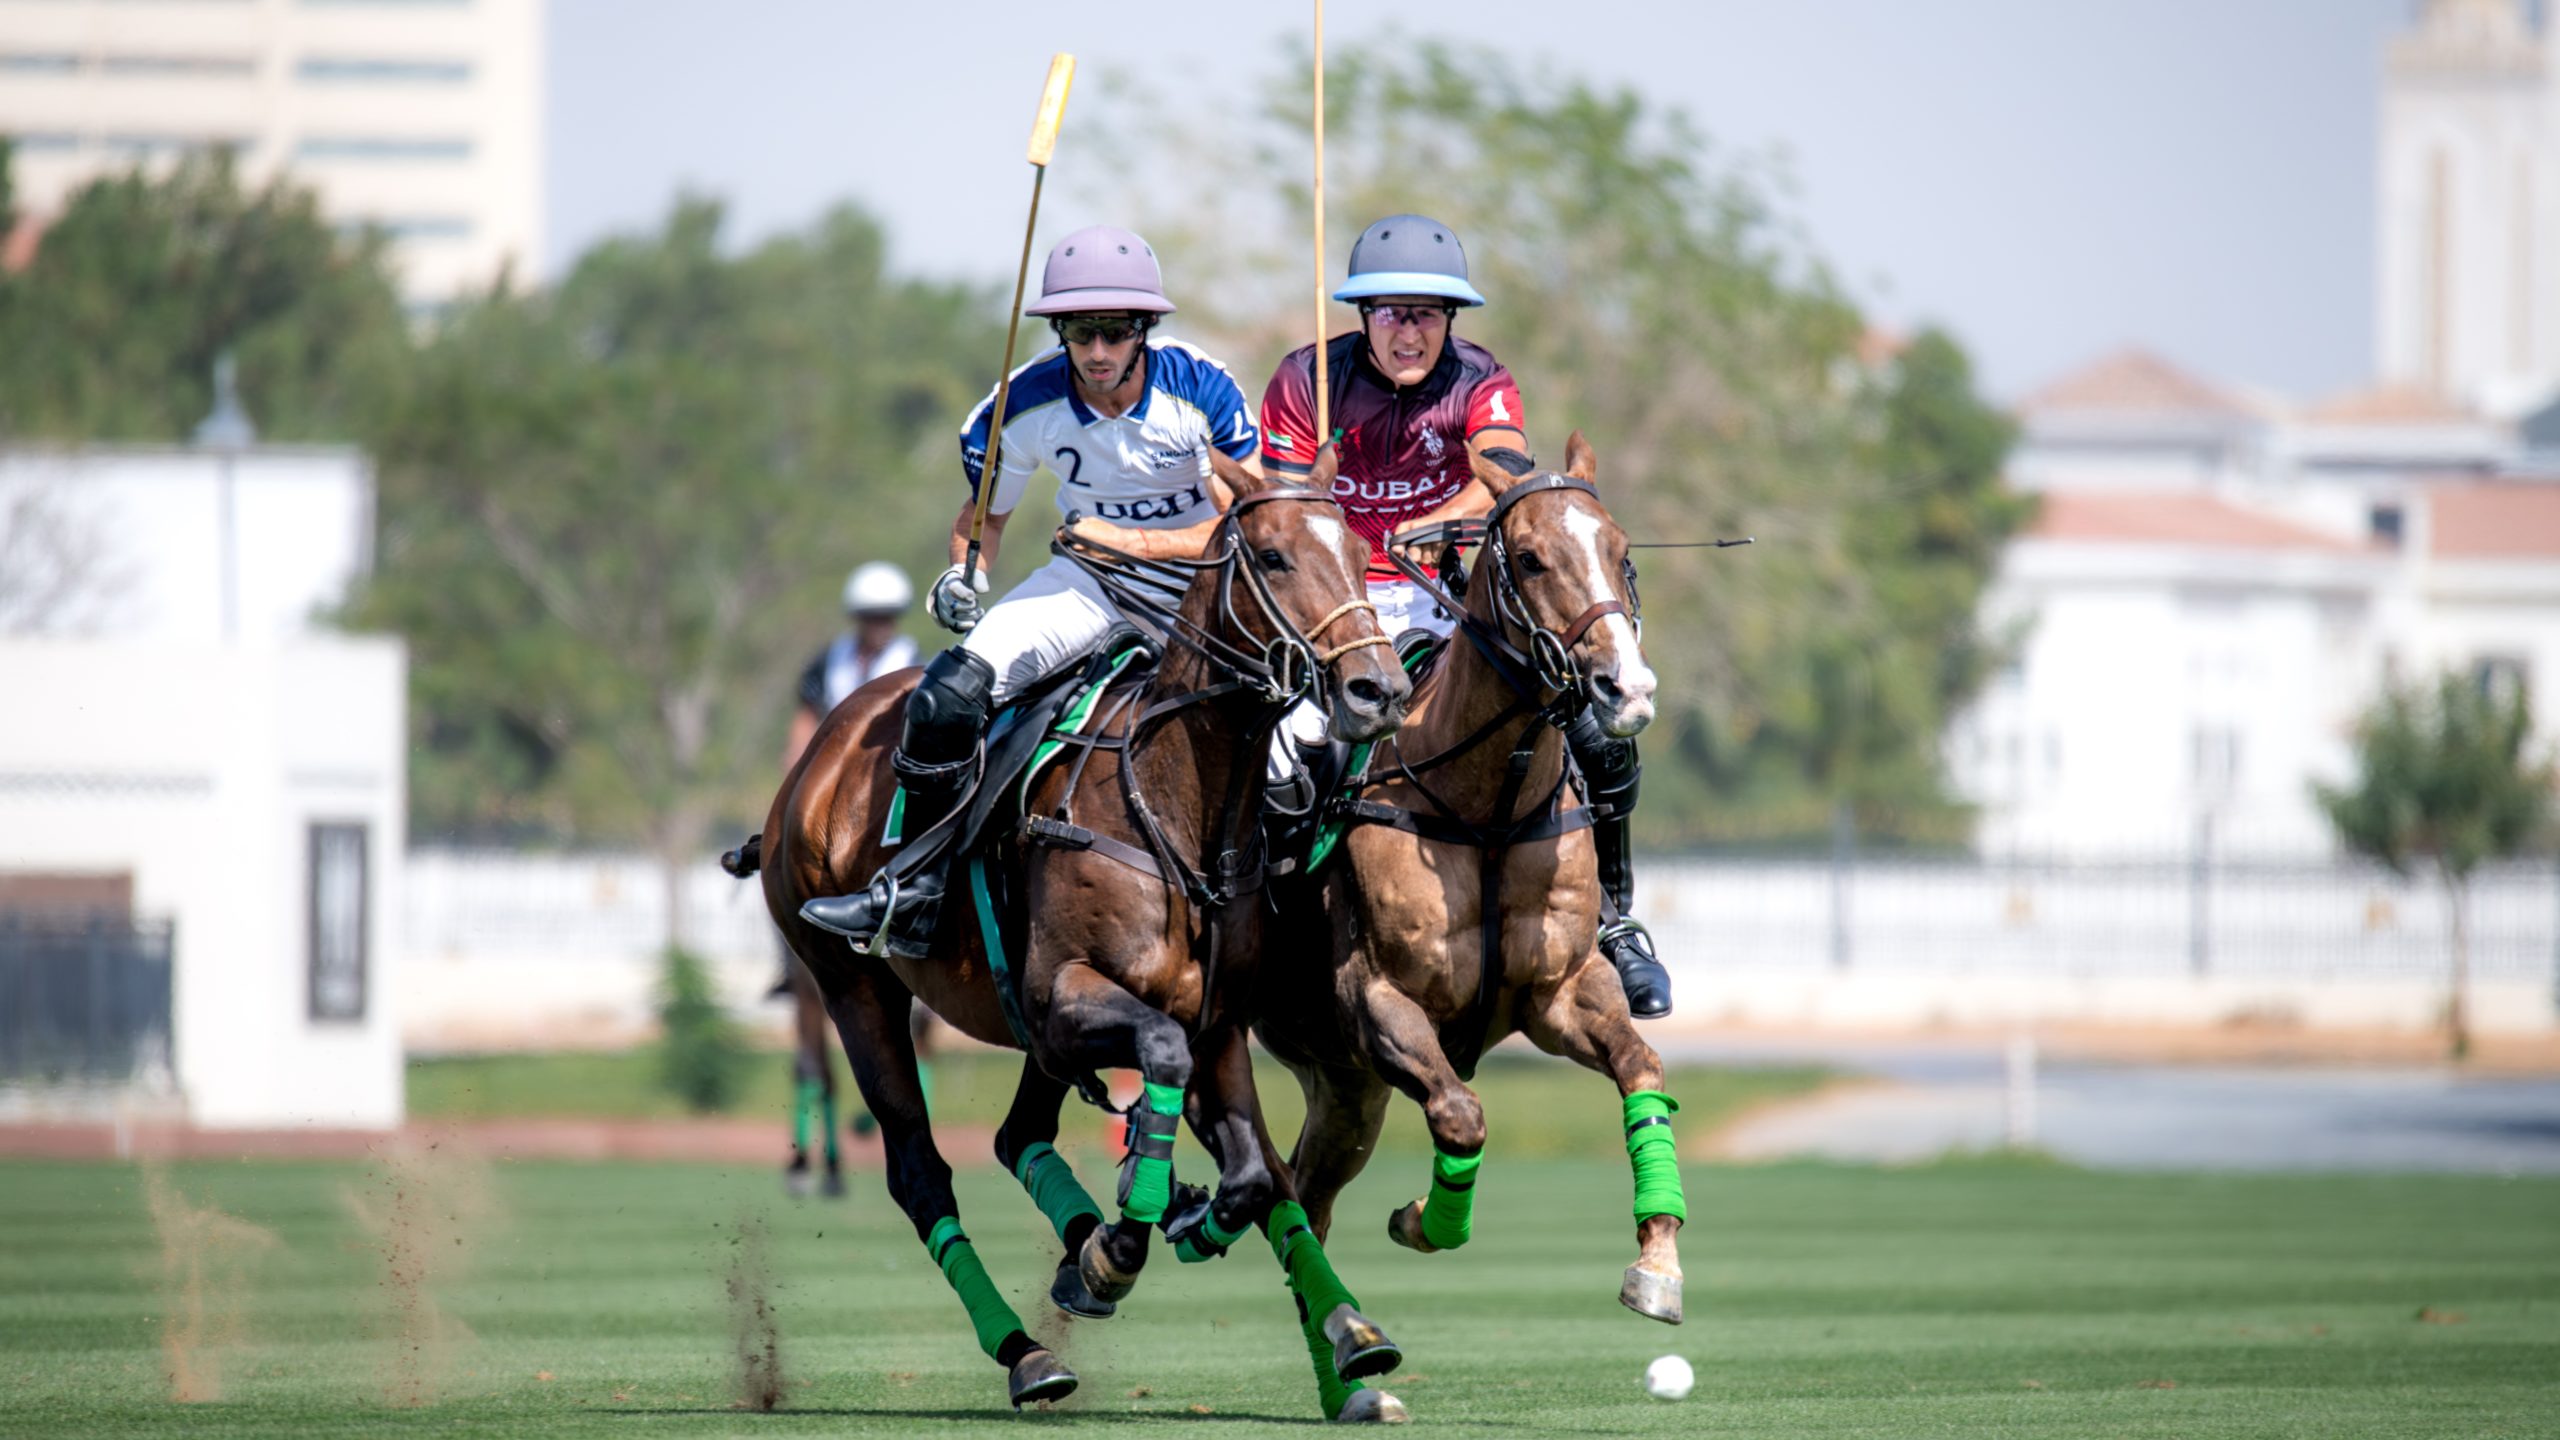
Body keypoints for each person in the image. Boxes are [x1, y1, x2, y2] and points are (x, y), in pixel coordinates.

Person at [799, 226, 1263, 955]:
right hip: (1090, 586)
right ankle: (917, 888)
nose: (1099, 351)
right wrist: (966, 574)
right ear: (1061, 333)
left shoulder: (1202, 389)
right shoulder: (1022, 404)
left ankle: (1296, 910)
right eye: (1082, 332)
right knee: (948, 694)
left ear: (1144, 330)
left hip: (1205, 594)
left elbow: (1253, 528)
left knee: (1307, 731)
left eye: (1115, 331)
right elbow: (983, 517)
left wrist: (1130, 539)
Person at [1256, 213, 1675, 1019]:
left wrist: (1433, 519)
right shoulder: (1305, 378)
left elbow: (1501, 474)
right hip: (1335, 602)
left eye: (1427, 313)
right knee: (1280, 750)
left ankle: (1617, 928)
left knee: (1589, 734)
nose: (1409, 331)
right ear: (1363, 317)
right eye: (1391, 312)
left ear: (1450, 319)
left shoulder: (1480, 381)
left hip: (1443, 599)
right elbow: (1283, 505)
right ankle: (1267, 930)